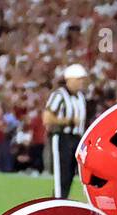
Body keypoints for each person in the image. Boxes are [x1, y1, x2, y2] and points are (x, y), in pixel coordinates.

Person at [42, 64, 88, 198]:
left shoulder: (80, 96)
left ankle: (63, 200)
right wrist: (68, 121)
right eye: (78, 79)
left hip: (77, 138)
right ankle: (57, 202)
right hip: (62, 137)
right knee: (62, 174)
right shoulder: (59, 95)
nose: (81, 82)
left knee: (72, 174)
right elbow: (47, 118)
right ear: (70, 79)